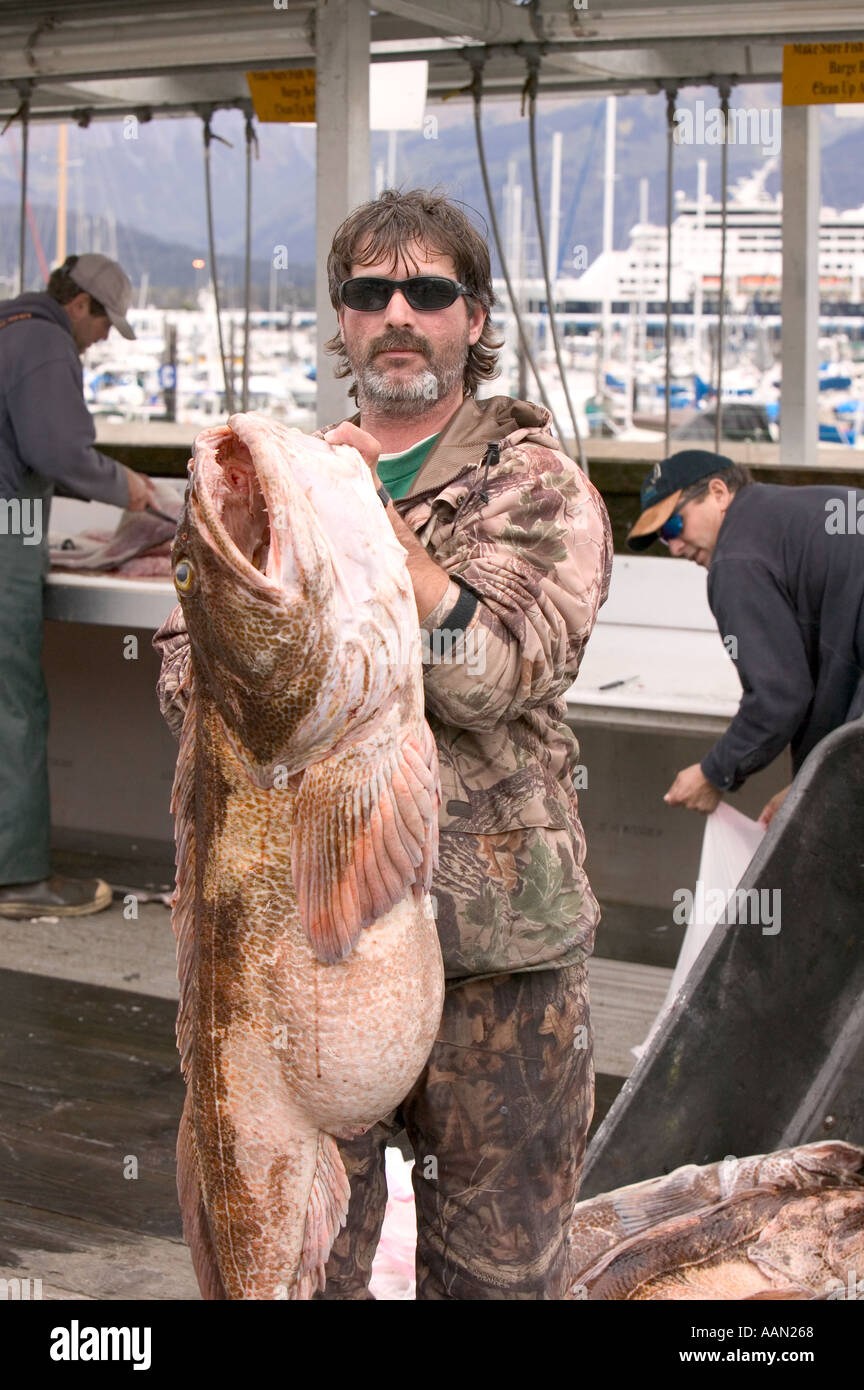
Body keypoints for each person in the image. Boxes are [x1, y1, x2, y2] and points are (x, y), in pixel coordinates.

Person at [154, 188, 613, 1299]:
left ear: (474, 317)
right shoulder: (287, 490)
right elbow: (185, 666)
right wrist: (252, 616)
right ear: (343, 320)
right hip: (300, 959)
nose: (399, 312)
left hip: (494, 960)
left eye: (430, 290)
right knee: (300, 1267)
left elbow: (506, 673)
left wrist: (389, 549)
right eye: (371, 292)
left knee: (499, 1278)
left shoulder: (534, 483)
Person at [0, 253, 157, 919]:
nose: (98, 340)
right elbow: (57, 450)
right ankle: (18, 880)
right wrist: (134, 488)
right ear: (81, 305)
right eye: (103, 324)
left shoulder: (8, 327)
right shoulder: (44, 340)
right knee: (14, 703)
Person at [626, 448, 864, 826]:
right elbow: (836, 673)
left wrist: (712, 772)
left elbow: (779, 697)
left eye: (674, 526)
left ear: (719, 493)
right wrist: (809, 786)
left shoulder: (736, 559)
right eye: (661, 538)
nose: (674, 547)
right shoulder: (785, 517)